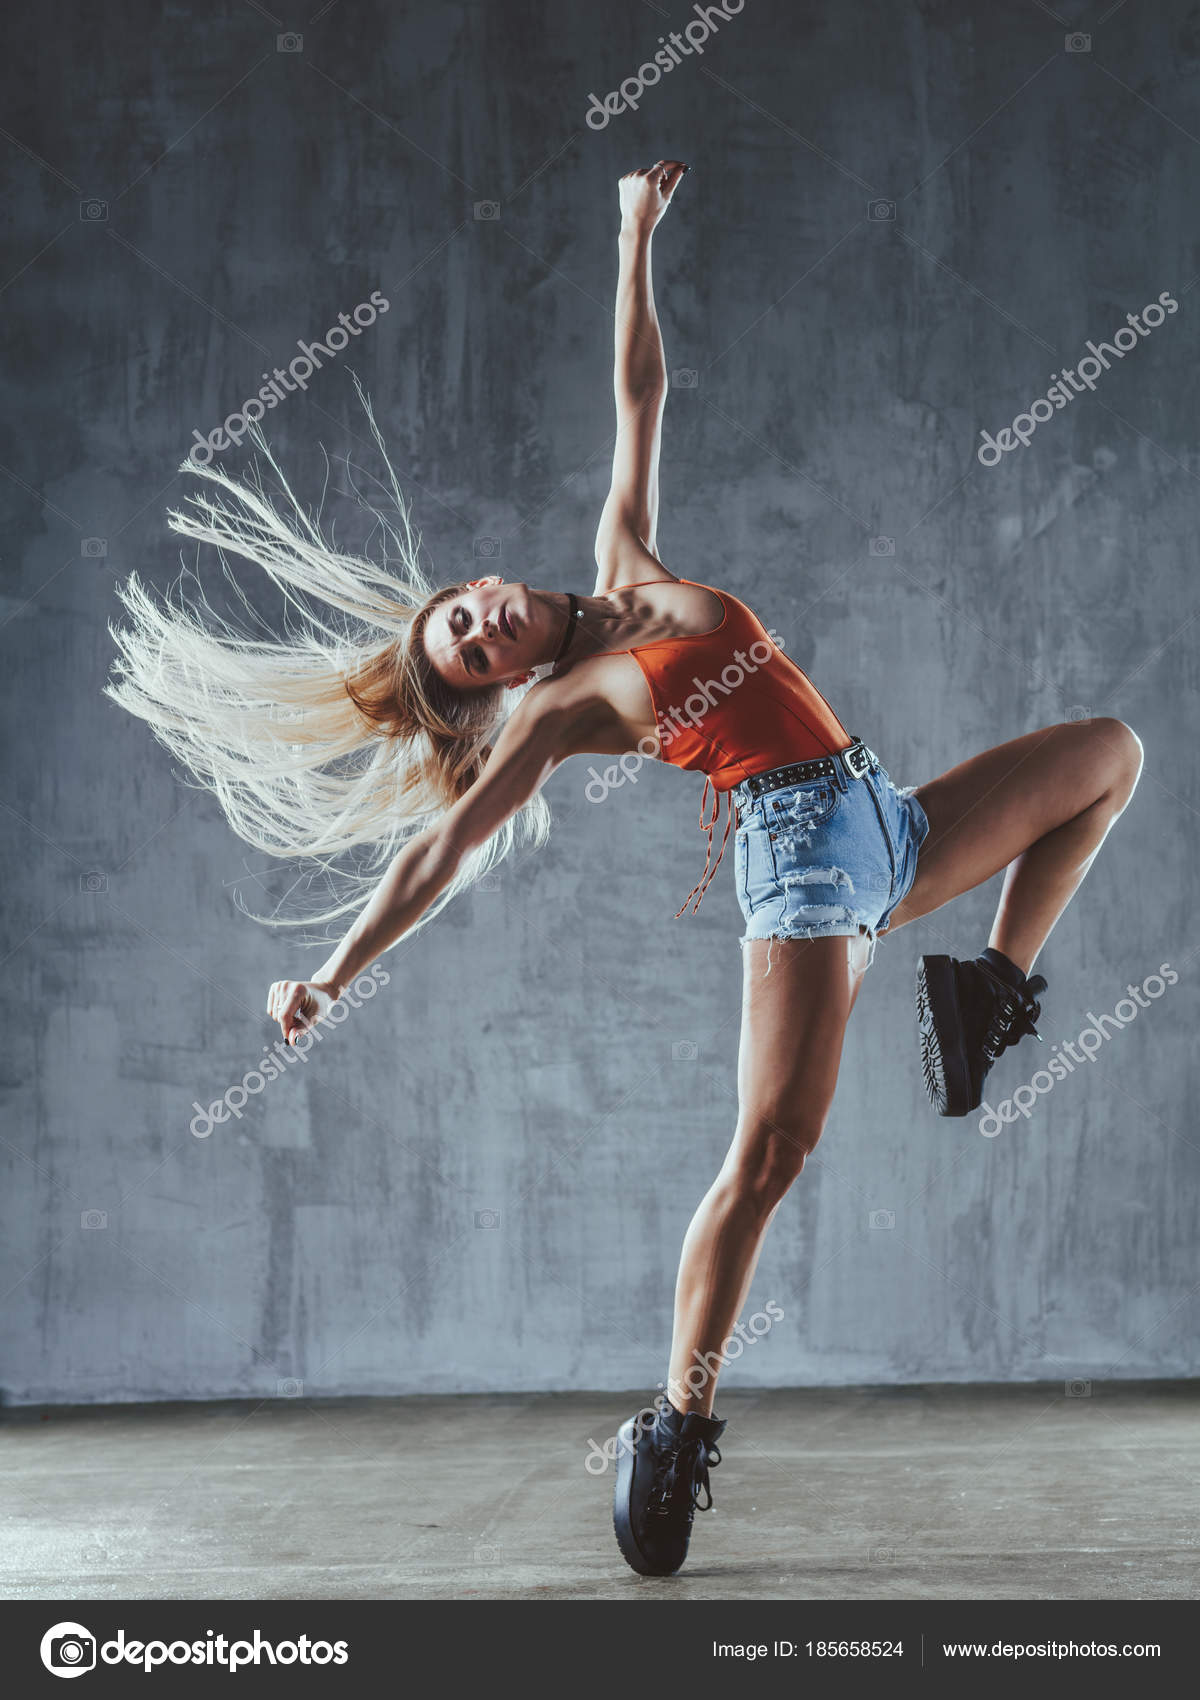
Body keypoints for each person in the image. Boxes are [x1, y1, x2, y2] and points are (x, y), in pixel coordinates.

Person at [106, 160, 1144, 1578]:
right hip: (800, 860)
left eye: (462, 615)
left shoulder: (623, 561)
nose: (482, 628)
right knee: (770, 1156)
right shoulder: (563, 706)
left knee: (1107, 755)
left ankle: (992, 991)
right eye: (473, 655)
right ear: (500, 683)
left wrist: (630, 237)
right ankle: (676, 1424)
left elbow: (640, 394)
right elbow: (441, 847)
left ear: (474, 580)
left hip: (876, 810)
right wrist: (333, 971)